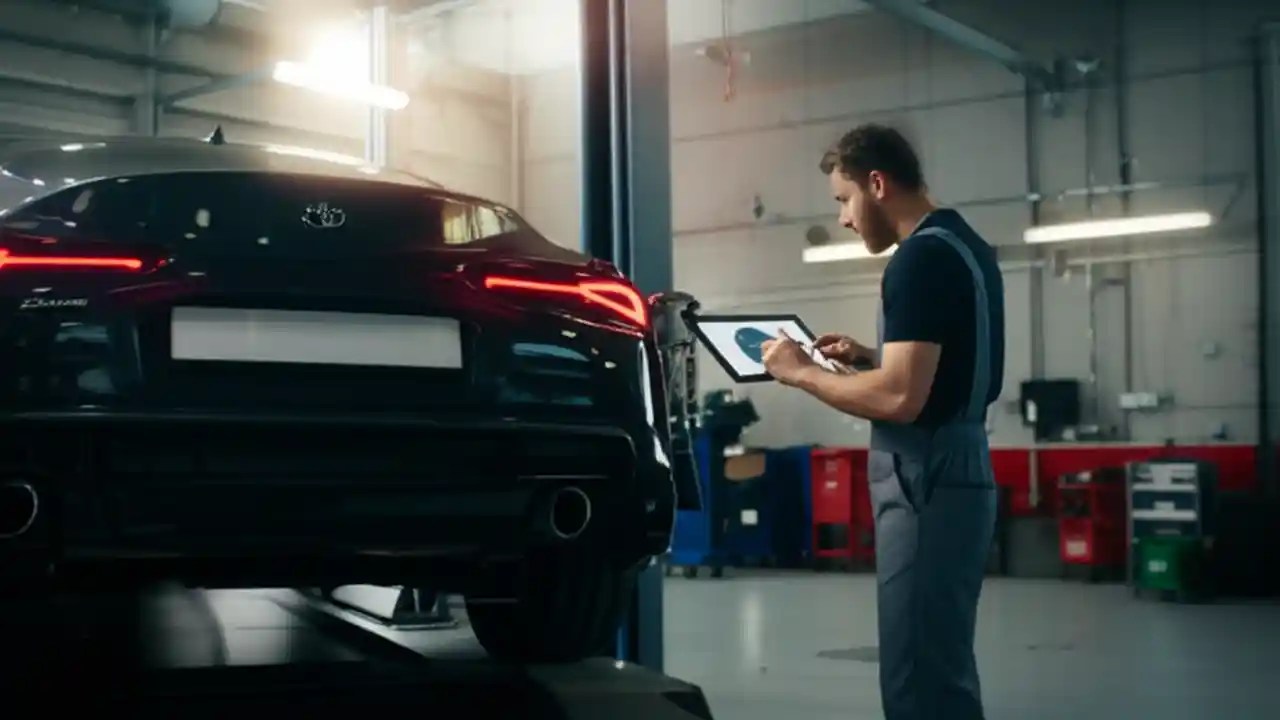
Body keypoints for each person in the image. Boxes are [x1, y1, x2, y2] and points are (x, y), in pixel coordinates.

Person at [761, 123, 1004, 720]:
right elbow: (945, 367)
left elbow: (901, 400)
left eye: (843, 199)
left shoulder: (917, 259)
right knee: (941, 661)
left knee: (918, 676)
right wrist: (872, 357)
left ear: (877, 183)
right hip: (962, 463)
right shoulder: (964, 243)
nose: (843, 217)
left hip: (926, 471)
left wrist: (800, 374)